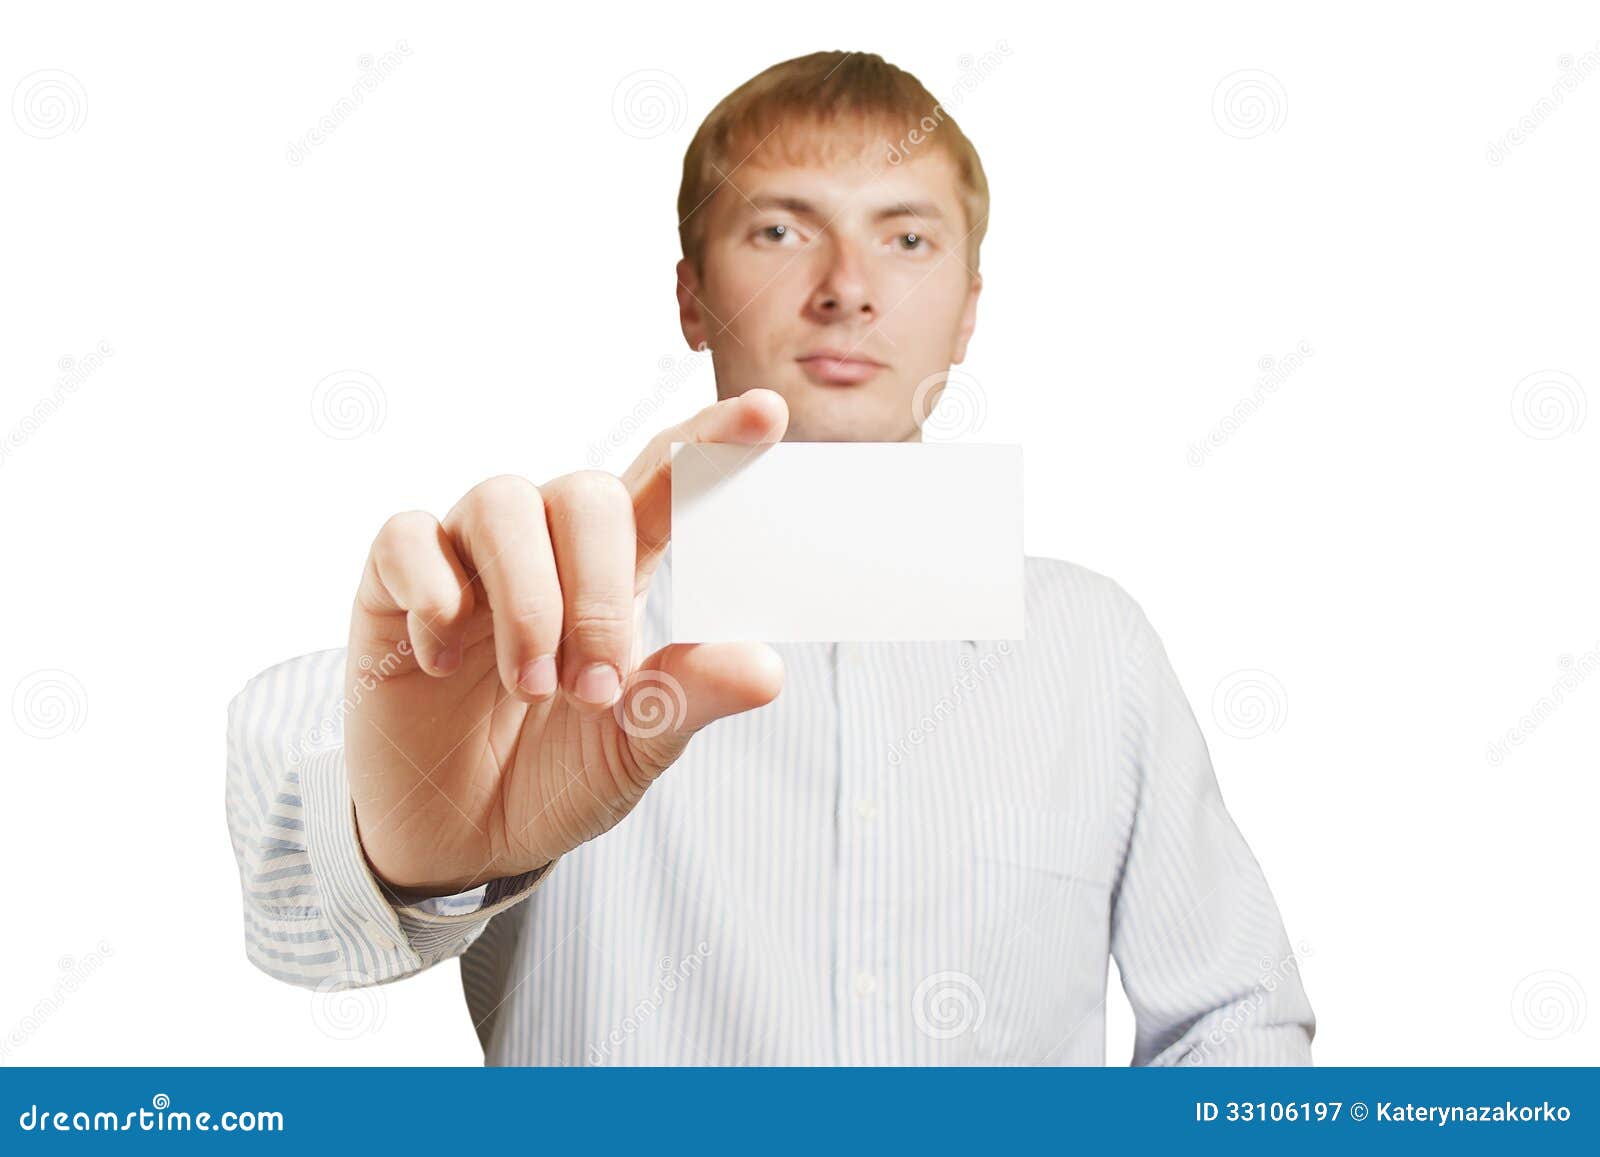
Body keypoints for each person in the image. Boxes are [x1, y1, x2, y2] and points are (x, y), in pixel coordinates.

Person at [226, 50, 1315, 1065]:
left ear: (969, 314)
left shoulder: (1094, 642)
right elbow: (299, 895)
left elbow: (1235, 1021)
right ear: (691, 297)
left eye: (907, 237)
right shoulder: (540, 621)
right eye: (782, 231)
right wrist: (411, 844)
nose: (847, 285)